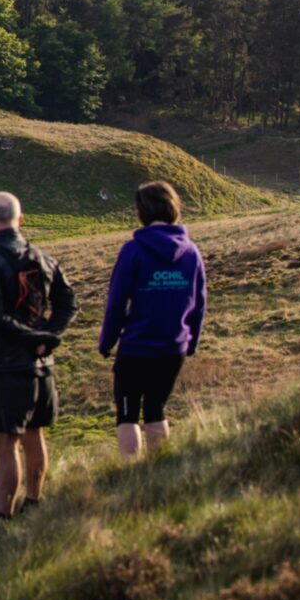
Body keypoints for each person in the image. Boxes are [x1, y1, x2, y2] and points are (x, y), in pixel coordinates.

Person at [0, 191, 77, 520]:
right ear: (21, 220)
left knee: (6, 444)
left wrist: (36, 338)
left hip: (8, 366)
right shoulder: (44, 259)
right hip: (42, 365)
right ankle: (34, 503)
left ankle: (3, 515)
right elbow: (68, 302)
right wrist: (48, 337)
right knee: (35, 435)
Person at [98, 181, 207, 459]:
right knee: (156, 408)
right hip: (174, 347)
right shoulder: (191, 251)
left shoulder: (133, 250)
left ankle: (131, 475)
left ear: (142, 212)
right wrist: (191, 341)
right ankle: (158, 470)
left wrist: (107, 341)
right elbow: (199, 301)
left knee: (128, 414)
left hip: (137, 346)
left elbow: (117, 301)